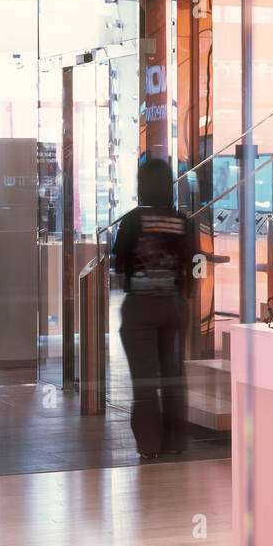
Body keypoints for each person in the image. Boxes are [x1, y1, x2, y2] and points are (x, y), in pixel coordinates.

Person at [112, 159, 193, 460]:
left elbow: (119, 262)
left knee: (144, 381)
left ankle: (149, 445)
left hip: (140, 307)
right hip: (173, 304)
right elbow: (191, 262)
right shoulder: (183, 220)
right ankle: (175, 441)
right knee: (174, 375)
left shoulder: (133, 221)